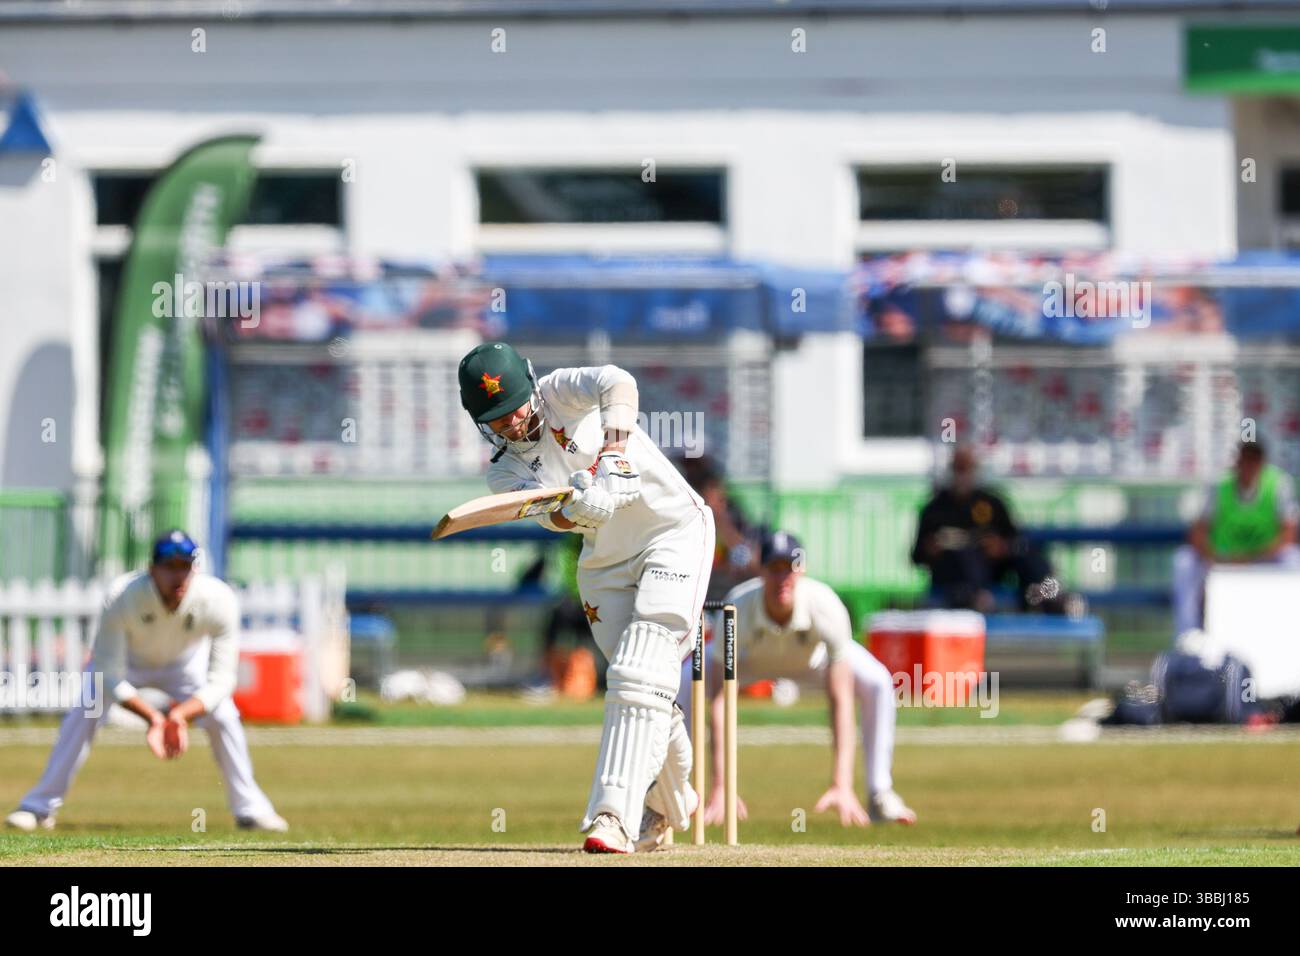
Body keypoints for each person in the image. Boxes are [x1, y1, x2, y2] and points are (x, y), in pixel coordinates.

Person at [457, 342, 715, 854]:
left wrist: (614, 454)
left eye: (513, 407)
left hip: (673, 532)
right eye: (495, 418)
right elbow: (551, 517)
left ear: (531, 385)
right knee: (645, 693)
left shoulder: (560, 393)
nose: (510, 423)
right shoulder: (502, 473)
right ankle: (671, 804)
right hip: (604, 567)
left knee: (639, 672)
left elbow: (617, 380)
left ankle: (612, 816)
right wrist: (579, 510)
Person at [5, 530, 287, 833]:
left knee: (224, 715)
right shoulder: (122, 595)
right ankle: (38, 807)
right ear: (152, 568)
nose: (177, 575)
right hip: (128, 665)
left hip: (184, 667)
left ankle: (250, 810)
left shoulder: (218, 599)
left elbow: (221, 680)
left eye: (184, 566)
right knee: (83, 712)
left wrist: (178, 715)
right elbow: (106, 673)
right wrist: (153, 717)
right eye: (169, 566)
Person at [682, 530, 916, 827]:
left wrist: (841, 784)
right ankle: (678, 791)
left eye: (789, 569)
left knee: (878, 682)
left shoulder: (825, 604)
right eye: (774, 569)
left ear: (801, 570)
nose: (782, 579)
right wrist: (720, 787)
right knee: (684, 680)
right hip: (749, 662)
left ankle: (880, 792)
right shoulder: (737, 605)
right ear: (762, 571)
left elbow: (840, 698)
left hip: (813, 662)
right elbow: (717, 698)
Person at [911, 446, 1071, 614]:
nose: (962, 474)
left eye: (967, 468)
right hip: (956, 576)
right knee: (963, 556)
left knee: (1028, 549)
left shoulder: (992, 502)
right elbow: (916, 556)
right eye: (959, 468)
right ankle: (976, 599)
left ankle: (1049, 594)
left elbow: (1016, 539)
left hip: (990, 567)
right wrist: (930, 550)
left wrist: (1002, 546)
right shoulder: (934, 509)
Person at [1172, 439, 1300, 637]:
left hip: (1263, 558)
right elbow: (1197, 531)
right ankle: (1188, 635)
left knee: (1293, 559)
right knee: (1184, 561)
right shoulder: (1219, 485)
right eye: (1244, 459)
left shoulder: (1279, 485)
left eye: (1253, 460)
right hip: (1223, 558)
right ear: (1237, 462)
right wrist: (1214, 557)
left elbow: (1288, 535)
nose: (1248, 466)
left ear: (1262, 463)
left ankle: (1291, 631)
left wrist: (1252, 558)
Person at [680, 455, 761, 600]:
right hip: (694, 593)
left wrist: (721, 520)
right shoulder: (686, 519)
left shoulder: (734, 517)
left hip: (725, 595)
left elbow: (749, 562)